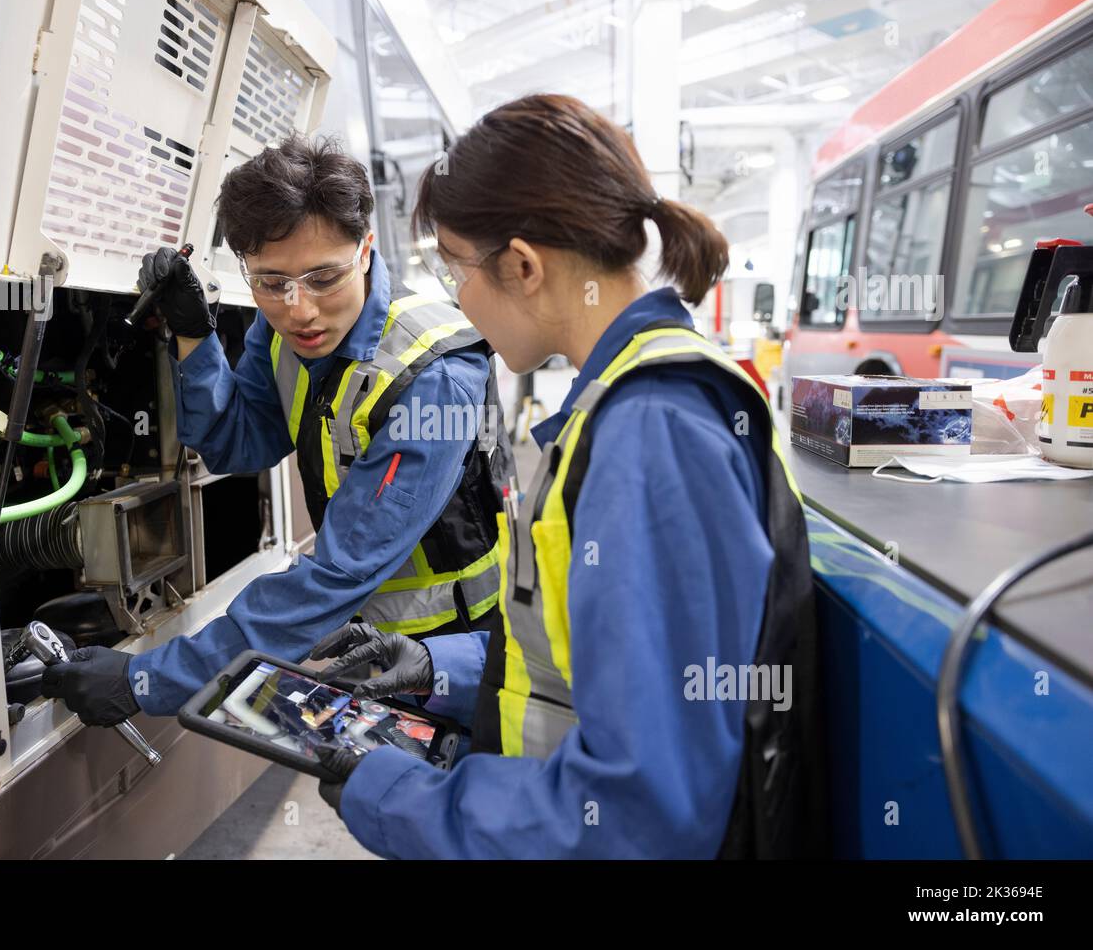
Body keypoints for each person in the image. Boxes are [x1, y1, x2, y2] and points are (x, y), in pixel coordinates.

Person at [308, 94, 826, 859]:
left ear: (522, 265)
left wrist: (402, 799)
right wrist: (435, 666)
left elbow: (641, 811)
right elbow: (595, 653)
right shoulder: (620, 407)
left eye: (457, 269)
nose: (459, 299)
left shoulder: (652, 435)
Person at [42, 134, 513, 725]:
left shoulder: (433, 376)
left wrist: (147, 679)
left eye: (323, 277)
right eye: (269, 281)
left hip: (457, 662)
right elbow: (239, 443)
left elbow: (340, 571)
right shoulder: (284, 333)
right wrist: (194, 332)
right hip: (367, 649)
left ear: (366, 249)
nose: (299, 309)